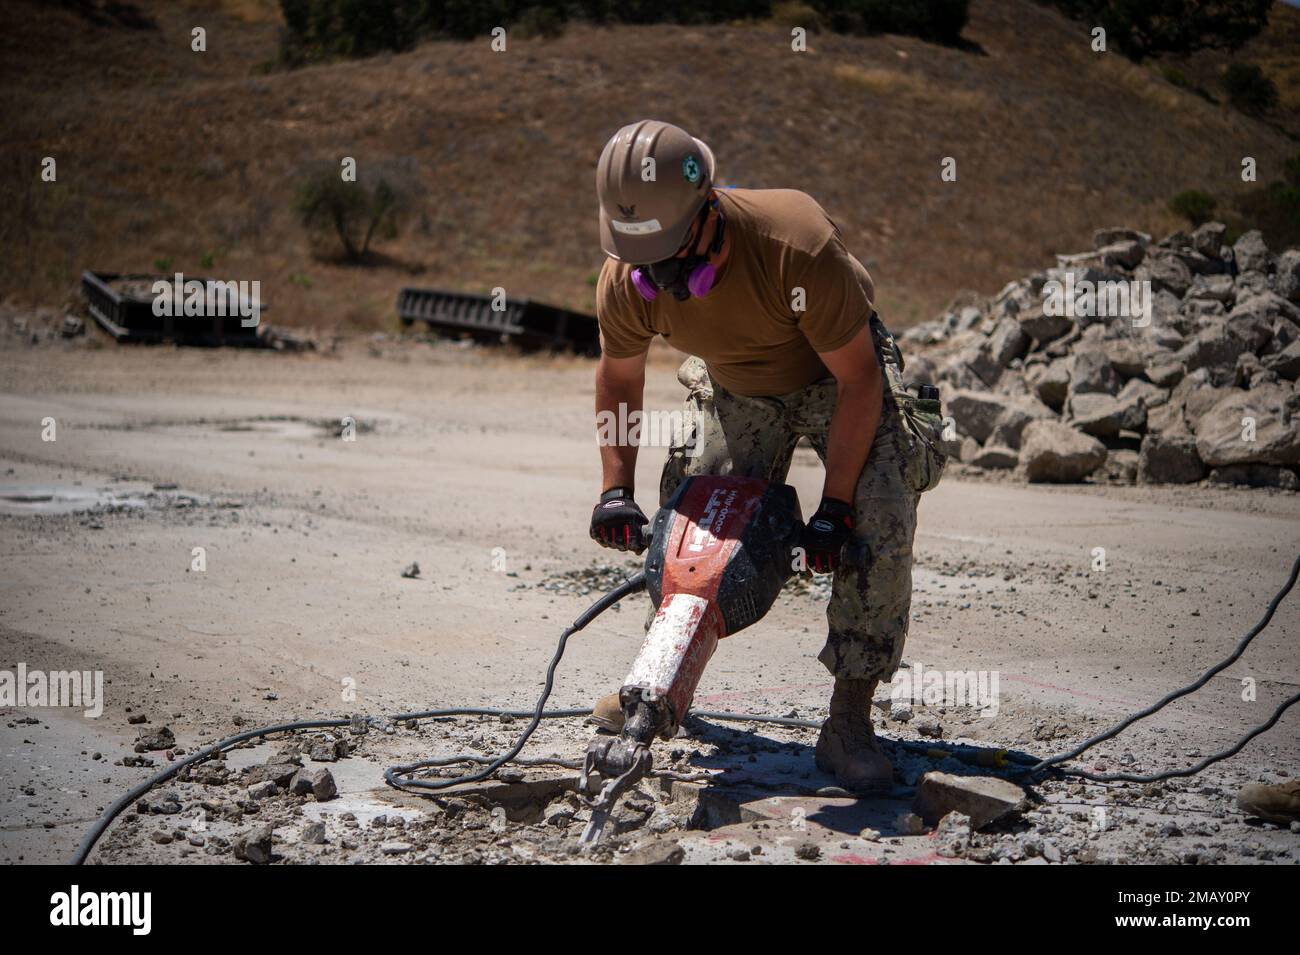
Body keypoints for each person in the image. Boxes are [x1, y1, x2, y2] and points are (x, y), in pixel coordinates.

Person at [588, 119, 945, 792]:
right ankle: (658, 684)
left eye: (668, 254)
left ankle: (849, 721)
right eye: (644, 260)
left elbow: (860, 379)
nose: (657, 277)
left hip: (835, 374)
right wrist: (615, 489)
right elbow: (619, 377)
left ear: (708, 210)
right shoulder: (625, 278)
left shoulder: (794, 242)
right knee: (690, 523)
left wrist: (835, 506)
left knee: (878, 513)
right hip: (738, 384)